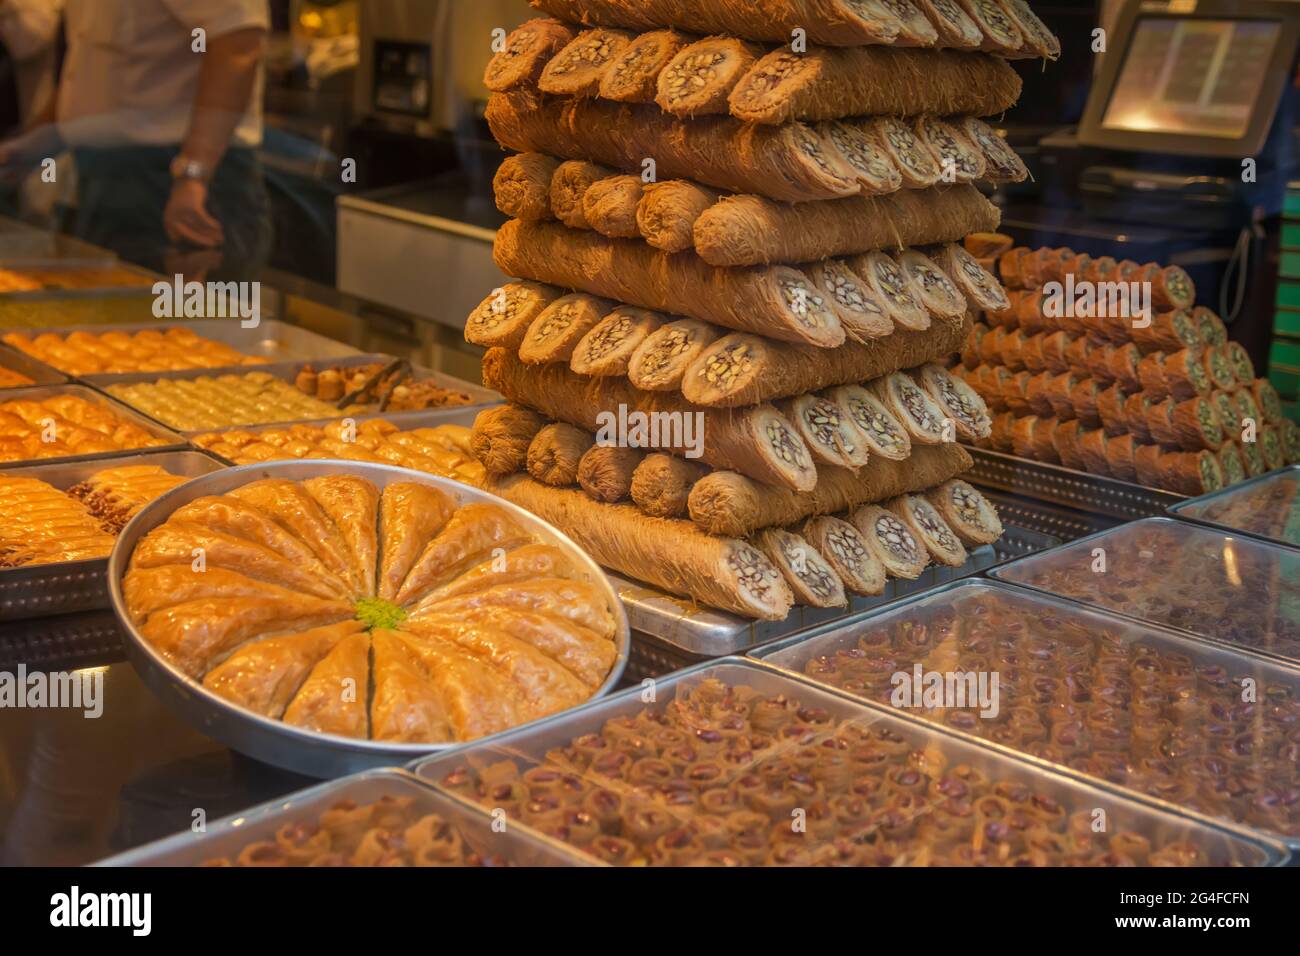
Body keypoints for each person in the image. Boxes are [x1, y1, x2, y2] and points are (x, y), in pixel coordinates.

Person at [0, 0, 272, 282]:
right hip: (105, 175)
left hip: (178, 179)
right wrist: (41, 139)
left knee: (191, 323)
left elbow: (238, 44)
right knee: (105, 316)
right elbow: (91, 66)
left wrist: (194, 174)